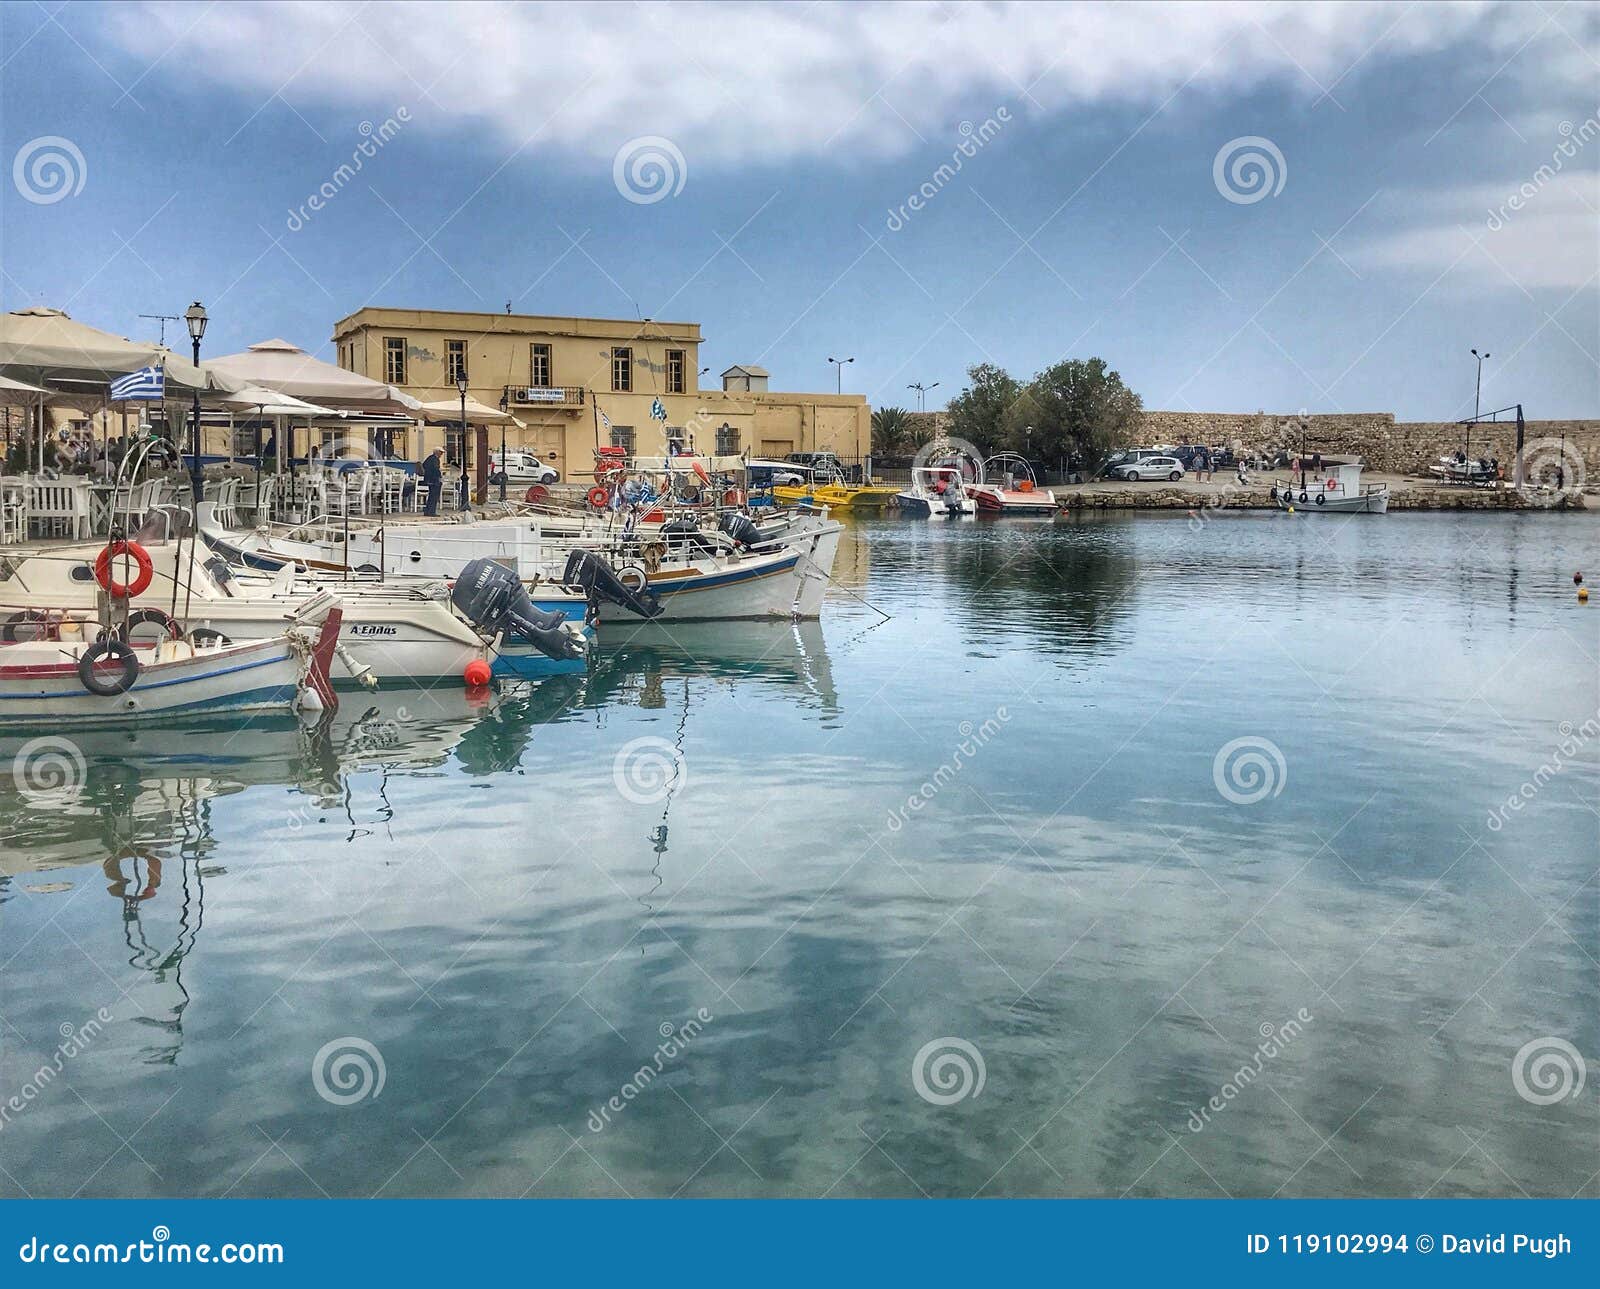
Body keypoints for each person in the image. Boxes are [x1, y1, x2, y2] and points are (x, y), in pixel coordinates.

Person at [421, 446, 444, 516]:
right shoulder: (435, 459)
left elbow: (424, 465)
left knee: (431, 496)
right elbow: (436, 469)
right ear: (437, 452)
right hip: (434, 481)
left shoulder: (429, 458)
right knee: (434, 496)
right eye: (441, 453)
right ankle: (431, 512)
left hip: (429, 480)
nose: (441, 454)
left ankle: (427, 511)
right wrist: (440, 477)